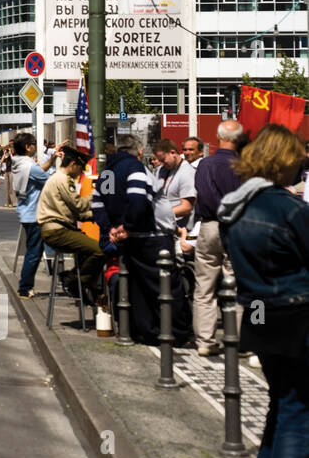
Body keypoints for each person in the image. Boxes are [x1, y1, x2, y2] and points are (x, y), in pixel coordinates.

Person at [216, 123, 309, 458]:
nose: (302, 159)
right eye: (298, 153)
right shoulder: (289, 208)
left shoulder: (236, 208)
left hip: (260, 316)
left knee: (282, 409)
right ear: (282, 160)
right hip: (298, 320)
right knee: (298, 417)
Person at [93, 131, 192, 344]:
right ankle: (176, 332)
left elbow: (99, 204)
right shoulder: (135, 168)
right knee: (165, 286)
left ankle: (146, 331)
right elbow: (138, 200)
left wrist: (110, 227)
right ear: (138, 151)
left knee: (139, 288)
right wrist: (128, 226)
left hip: (129, 237)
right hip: (151, 235)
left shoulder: (108, 172)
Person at [192, 120, 245, 356]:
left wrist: (218, 211)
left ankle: (205, 341)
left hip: (210, 226)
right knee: (239, 285)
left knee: (205, 286)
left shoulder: (206, 164)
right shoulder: (245, 165)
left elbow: (203, 193)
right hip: (238, 227)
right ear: (240, 139)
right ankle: (241, 340)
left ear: (217, 135)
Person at [36, 147, 106, 300]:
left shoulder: (58, 178)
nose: (81, 173)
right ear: (73, 164)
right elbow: (79, 205)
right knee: (99, 250)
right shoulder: (63, 179)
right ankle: (76, 282)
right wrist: (97, 196)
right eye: (81, 168)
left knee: (86, 251)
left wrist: (94, 216)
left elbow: (76, 212)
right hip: (58, 231)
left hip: (59, 229)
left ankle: (79, 280)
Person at [12, 133, 56, 299]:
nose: (35, 147)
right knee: (34, 253)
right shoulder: (30, 166)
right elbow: (49, 180)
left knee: (33, 251)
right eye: (33, 144)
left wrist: (51, 160)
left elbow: (39, 171)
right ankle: (25, 287)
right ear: (28, 147)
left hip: (25, 212)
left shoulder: (20, 163)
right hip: (34, 213)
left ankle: (25, 285)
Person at [152, 139, 197, 232]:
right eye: (159, 160)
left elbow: (187, 207)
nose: (162, 163)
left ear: (172, 152)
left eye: (163, 160)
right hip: (163, 227)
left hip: (182, 229)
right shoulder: (161, 170)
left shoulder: (187, 172)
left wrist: (160, 214)